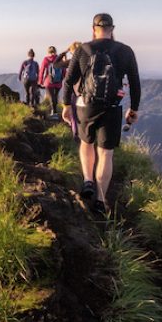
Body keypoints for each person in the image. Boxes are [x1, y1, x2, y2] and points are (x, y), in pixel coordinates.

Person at [61, 13, 140, 217]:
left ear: (93, 29)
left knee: (86, 144)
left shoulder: (82, 50)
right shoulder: (125, 51)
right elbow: (135, 82)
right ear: (112, 29)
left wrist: (65, 105)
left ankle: (87, 180)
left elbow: (69, 80)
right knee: (106, 153)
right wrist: (134, 109)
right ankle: (101, 199)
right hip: (111, 107)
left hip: (85, 106)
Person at [55, 42, 82, 140]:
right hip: (87, 92)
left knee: (74, 115)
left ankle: (76, 135)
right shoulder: (87, 60)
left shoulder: (71, 62)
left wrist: (64, 52)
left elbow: (56, 64)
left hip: (74, 91)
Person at [39, 46, 64, 118]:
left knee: (51, 97)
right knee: (55, 96)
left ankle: (54, 112)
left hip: (48, 82)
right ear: (55, 51)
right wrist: (62, 78)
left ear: (48, 52)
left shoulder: (46, 59)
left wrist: (40, 81)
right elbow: (64, 70)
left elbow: (42, 71)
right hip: (58, 82)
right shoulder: (59, 59)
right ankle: (55, 112)